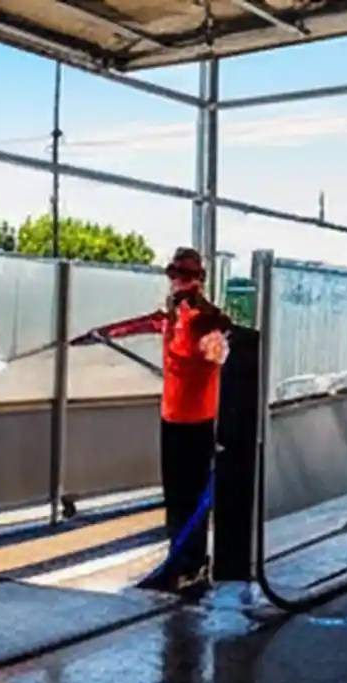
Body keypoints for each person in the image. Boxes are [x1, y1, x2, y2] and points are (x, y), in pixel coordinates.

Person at [74, 247, 232, 591]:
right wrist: (98, 334)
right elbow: (138, 324)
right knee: (176, 497)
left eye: (187, 276)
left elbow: (222, 349)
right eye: (175, 274)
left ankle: (192, 564)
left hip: (198, 423)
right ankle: (180, 563)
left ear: (200, 281)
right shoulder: (170, 318)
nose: (180, 282)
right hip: (172, 420)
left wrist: (216, 347)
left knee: (191, 498)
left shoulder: (208, 320)